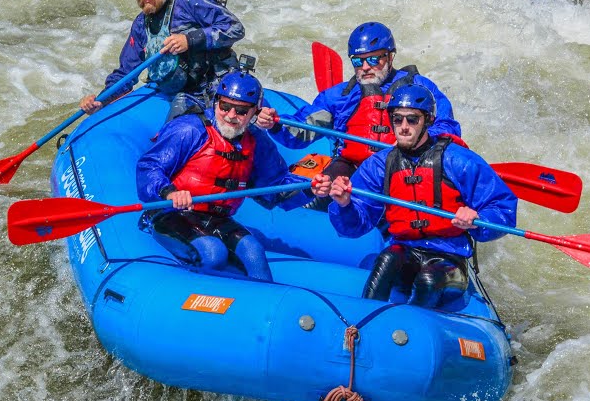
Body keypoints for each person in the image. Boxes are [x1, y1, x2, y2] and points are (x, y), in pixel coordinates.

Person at [309, 83, 517, 309]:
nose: (404, 127)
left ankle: (415, 331)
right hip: (405, 251)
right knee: (386, 259)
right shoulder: (380, 165)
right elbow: (352, 227)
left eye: (412, 119)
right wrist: (344, 204)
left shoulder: (458, 160)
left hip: (449, 257)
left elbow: (502, 208)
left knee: (427, 281)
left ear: (427, 120)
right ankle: (361, 322)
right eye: (397, 119)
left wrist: (477, 220)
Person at [256, 21, 463, 210]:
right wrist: (274, 124)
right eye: (358, 61)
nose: (365, 67)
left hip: (407, 166)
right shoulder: (340, 96)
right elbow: (301, 132)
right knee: (307, 190)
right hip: (352, 167)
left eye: (373, 59)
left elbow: (447, 127)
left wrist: (415, 144)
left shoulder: (421, 88)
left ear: (390, 57)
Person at [136, 70, 314, 281]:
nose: (231, 115)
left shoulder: (257, 143)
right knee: (213, 253)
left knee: (254, 251)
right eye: (225, 106)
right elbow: (149, 167)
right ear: (216, 103)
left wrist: (312, 188)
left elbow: (276, 186)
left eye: (240, 111)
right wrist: (168, 192)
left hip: (217, 218)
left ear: (254, 113)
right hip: (171, 214)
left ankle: (259, 306)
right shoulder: (190, 129)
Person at [81, 0, 246, 121]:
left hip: (216, 88)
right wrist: (101, 101)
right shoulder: (140, 25)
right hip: (177, 93)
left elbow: (235, 27)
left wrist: (189, 40)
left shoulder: (189, 0)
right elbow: (125, 74)